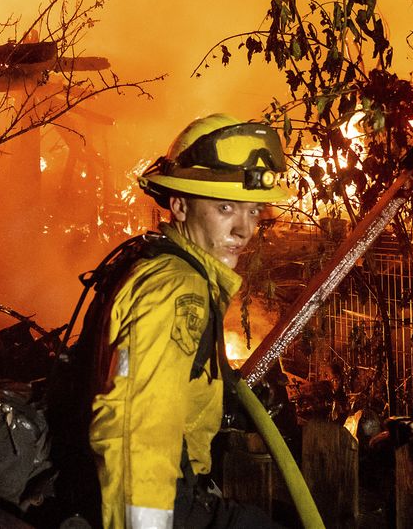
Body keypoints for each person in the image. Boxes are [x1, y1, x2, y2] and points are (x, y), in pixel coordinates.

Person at [86, 114, 289, 529]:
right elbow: (137, 427)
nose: (243, 229)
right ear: (179, 205)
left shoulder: (170, 269)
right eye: (225, 208)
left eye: (252, 212)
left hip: (180, 488)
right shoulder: (178, 289)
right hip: (155, 502)